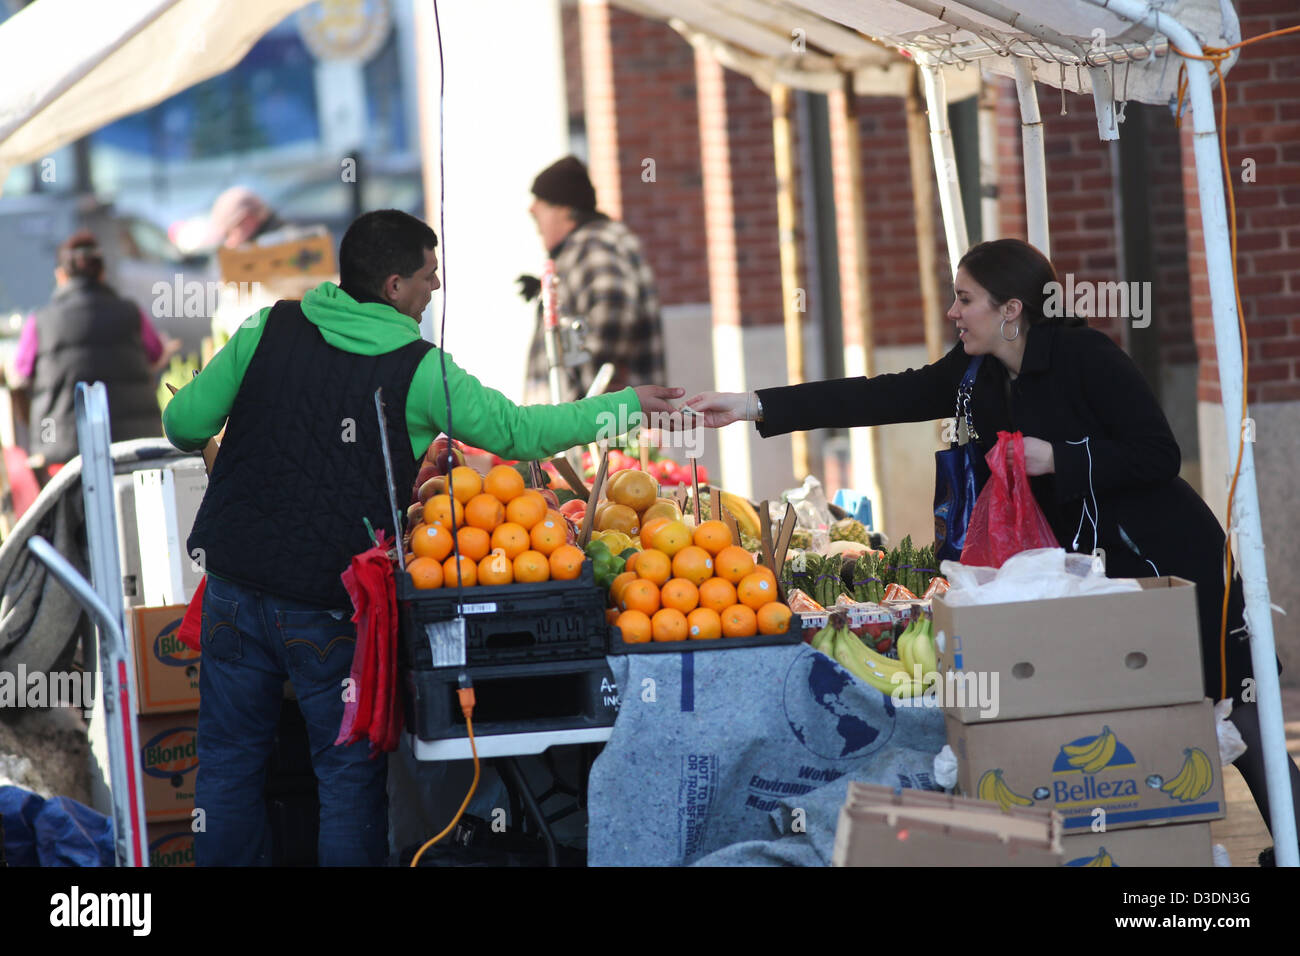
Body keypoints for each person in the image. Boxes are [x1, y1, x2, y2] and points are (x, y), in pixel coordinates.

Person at [686, 237, 1300, 861]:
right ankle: (1130, 846)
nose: (953, 313)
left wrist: (1057, 458)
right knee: (1124, 707)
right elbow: (883, 393)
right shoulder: (976, 371)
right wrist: (751, 405)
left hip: (1167, 561)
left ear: (1011, 308)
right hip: (1082, 575)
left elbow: (1157, 454)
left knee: (1239, 704)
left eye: (964, 299)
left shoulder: (1087, 357)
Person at [162, 209, 681, 866]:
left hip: (234, 585)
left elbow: (182, 422)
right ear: (393, 285)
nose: (435, 288)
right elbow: (520, 433)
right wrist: (628, 404)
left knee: (229, 768)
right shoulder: (419, 370)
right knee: (345, 778)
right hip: (326, 603)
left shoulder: (270, 325)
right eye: (428, 277)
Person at [12, 231, 177, 482]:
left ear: (61, 275)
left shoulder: (40, 321)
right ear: (102, 274)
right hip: (134, 449)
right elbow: (155, 354)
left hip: (64, 451)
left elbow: (21, 372)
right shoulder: (131, 313)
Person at [519, 155, 666, 405]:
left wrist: (579, 401)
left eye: (540, 201)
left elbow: (613, 315)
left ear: (564, 210)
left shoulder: (594, 244)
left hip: (603, 428)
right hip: (596, 424)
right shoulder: (588, 244)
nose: (531, 209)